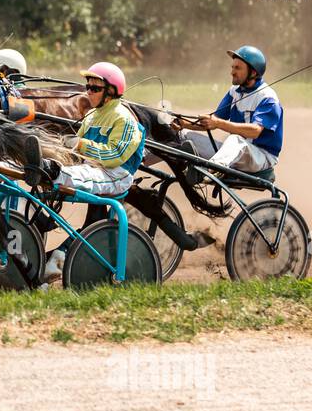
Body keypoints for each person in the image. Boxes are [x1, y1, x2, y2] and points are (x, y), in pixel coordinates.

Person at [39, 61, 146, 283]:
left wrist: (80, 145)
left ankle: (51, 173)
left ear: (111, 92)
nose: (89, 92)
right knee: (64, 168)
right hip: (94, 170)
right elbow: (78, 155)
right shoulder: (91, 116)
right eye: (87, 87)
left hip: (116, 175)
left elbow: (115, 155)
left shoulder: (124, 118)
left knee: (68, 174)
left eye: (95, 88)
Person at [172, 45, 282, 174]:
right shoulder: (234, 91)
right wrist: (184, 124)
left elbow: (255, 132)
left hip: (261, 158)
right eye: (232, 67)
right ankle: (144, 160)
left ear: (253, 72)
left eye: (238, 68)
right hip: (232, 152)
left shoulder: (267, 97)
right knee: (183, 135)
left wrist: (218, 123)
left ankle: (209, 171)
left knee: (235, 139)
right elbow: (214, 122)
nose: (232, 72)